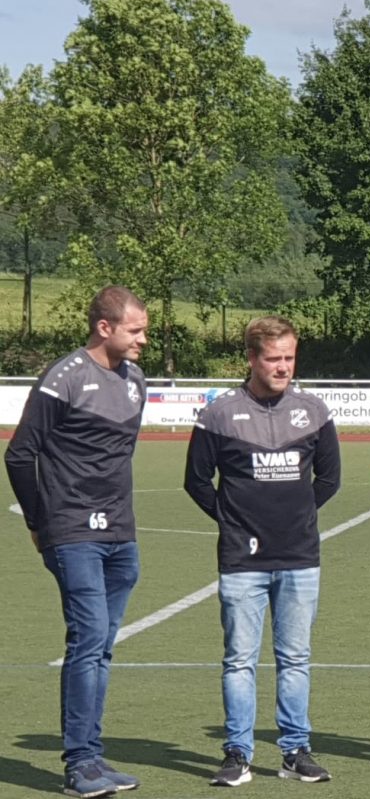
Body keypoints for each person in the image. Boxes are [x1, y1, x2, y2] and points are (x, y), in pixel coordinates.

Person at [184, 316, 341, 787]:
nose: (283, 367)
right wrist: (234, 521)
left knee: (296, 658)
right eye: (273, 358)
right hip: (242, 561)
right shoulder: (219, 413)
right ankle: (237, 753)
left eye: (289, 358)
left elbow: (330, 479)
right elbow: (195, 480)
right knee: (239, 659)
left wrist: (296, 519)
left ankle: (295, 751)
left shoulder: (313, 410)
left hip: (299, 557)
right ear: (251, 359)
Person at [5, 285, 149, 798]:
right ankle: (78, 764)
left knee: (102, 648)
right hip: (71, 534)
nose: (143, 341)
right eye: (135, 330)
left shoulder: (135, 381)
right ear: (104, 327)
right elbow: (20, 455)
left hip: (121, 536)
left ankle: (93, 755)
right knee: (87, 641)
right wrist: (40, 525)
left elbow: (117, 457)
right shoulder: (63, 377)